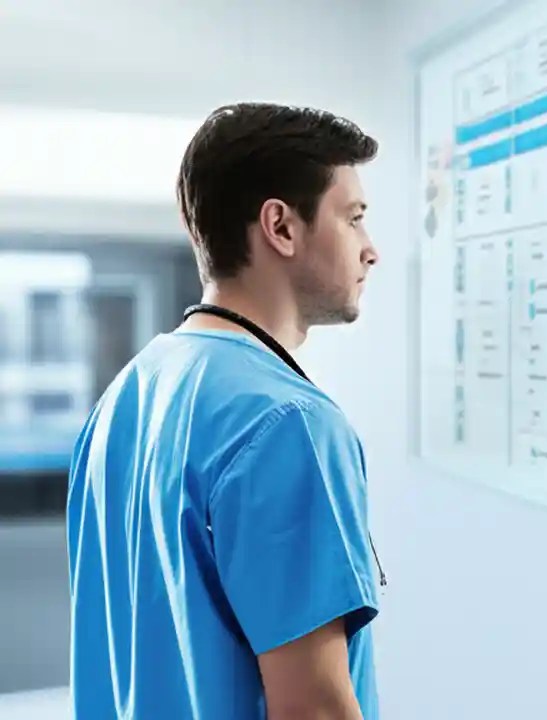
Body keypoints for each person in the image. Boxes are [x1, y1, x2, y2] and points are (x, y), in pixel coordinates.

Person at [66, 102, 384, 719]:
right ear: (281, 227)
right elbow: (314, 710)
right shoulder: (290, 425)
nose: (371, 250)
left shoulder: (123, 398)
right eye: (354, 219)